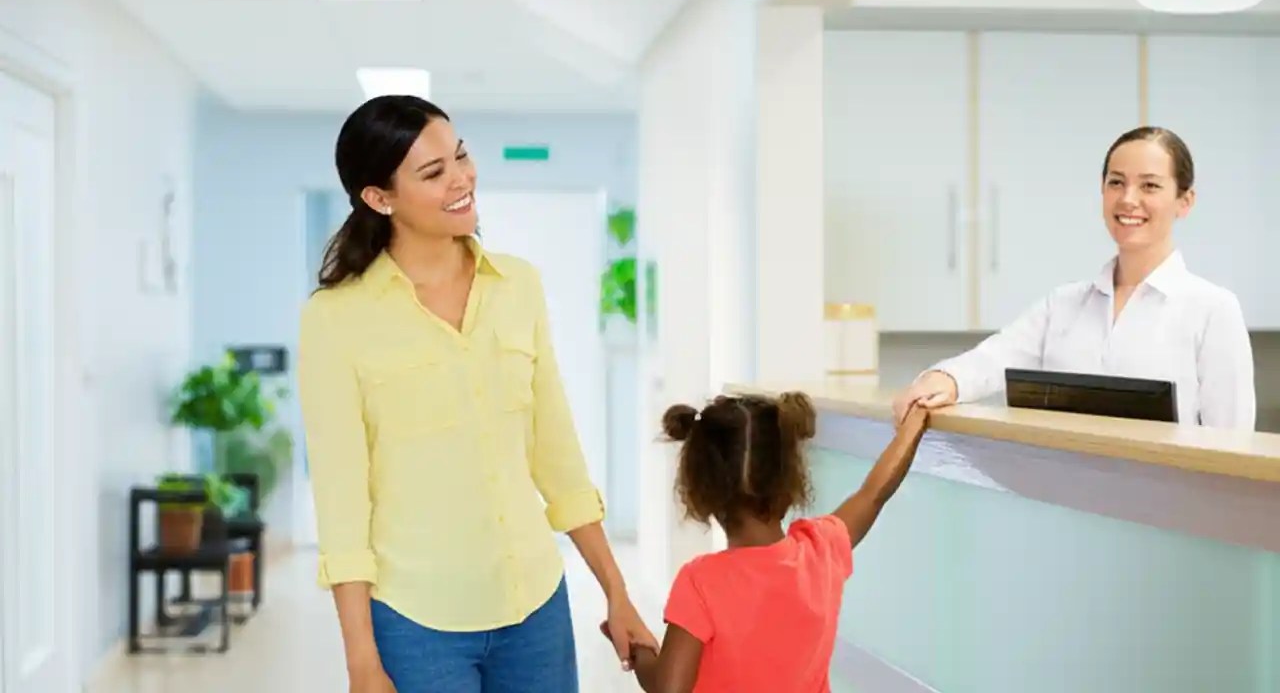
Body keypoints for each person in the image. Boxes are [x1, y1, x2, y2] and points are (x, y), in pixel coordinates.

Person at [297, 95, 657, 693]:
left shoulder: (518, 287)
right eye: (433, 173)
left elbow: (557, 455)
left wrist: (618, 593)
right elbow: (341, 497)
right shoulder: (336, 319)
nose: (461, 178)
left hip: (535, 605)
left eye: (460, 155)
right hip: (415, 620)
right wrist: (361, 659)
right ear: (379, 198)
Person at [892, 126, 1255, 430]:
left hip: (1173, 512)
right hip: (1069, 509)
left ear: (1184, 201)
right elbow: (993, 358)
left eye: (1150, 186)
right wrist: (946, 379)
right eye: (1116, 182)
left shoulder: (1213, 309)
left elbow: (1234, 446)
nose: (1128, 199)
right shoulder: (1063, 305)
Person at [606, 391, 930, 692]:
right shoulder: (820, 550)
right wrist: (912, 427)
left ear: (701, 491)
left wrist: (640, 651)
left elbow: (669, 688)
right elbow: (873, 494)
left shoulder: (700, 583)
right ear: (790, 480)